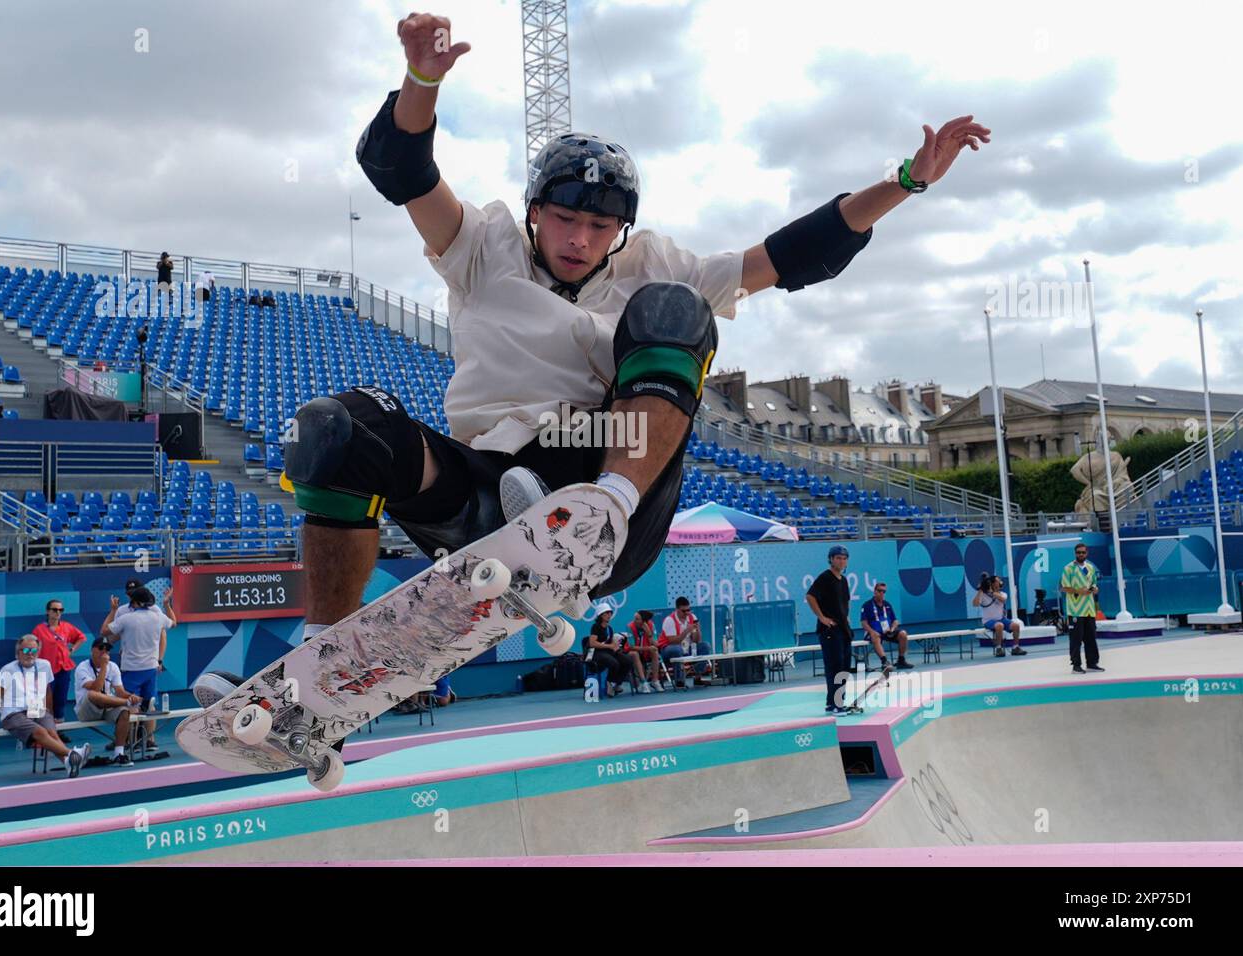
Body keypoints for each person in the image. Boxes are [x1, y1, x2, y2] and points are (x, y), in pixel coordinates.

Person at [195, 12, 986, 727]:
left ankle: (588, 516)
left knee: (674, 310)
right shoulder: (481, 246)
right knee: (338, 430)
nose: (579, 238)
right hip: (481, 490)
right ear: (536, 211)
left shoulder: (654, 264)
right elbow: (398, 166)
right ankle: (325, 655)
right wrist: (423, 79)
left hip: (611, 486)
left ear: (621, 229)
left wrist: (907, 182)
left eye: (599, 226)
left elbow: (789, 255)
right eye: (565, 219)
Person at [0, 636, 91, 777]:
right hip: (13, 712)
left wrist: (49, 712)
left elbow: (47, 691)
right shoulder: (8, 669)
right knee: (41, 732)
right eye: (25, 650)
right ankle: (73, 754)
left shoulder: (45, 665)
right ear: (18, 652)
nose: (29, 653)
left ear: (38, 652)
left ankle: (68, 762)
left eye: (33, 650)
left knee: (51, 732)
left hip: (36, 708)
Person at [100, 586, 167, 750]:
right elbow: (113, 636)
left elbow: (162, 635)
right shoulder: (125, 612)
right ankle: (130, 740)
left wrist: (159, 660)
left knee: (146, 703)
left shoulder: (152, 612)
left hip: (143, 666)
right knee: (134, 703)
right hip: (134, 665)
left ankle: (147, 740)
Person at [74, 639, 142, 767]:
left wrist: (132, 697)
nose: (104, 652)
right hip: (87, 711)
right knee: (93, 694)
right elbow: (96, 688)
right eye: (100, 648)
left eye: (107, 649)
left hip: (107, 707)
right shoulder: (82, 667)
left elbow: (120, 691)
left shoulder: (114, 666)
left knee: (124, 712)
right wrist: (104, 666)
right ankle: (125, 703)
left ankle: (119, 753)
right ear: (92, 650)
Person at [807, 545, 856, 713]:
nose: (841, 561)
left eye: (844, 558)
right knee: (835, 667)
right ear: (831, 559)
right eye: (838, 558)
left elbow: (846, 602)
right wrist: (822, 617)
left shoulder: (843, 580)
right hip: (830, 631)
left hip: (843, 629)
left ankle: (832, 702)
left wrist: (847, 620)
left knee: (844, 667)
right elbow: (810, 596)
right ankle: (837, 704)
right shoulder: (825, 577)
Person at [33, 597, 87, 728]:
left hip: (63, 669)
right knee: (44, 700)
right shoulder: (39, 629)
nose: (58, 612)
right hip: (46, 671)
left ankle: (58, 731)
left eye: (60, 610)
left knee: (61, 700)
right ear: (48, 611)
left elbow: (81, 637)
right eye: (55, 610)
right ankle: (42, 730)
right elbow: (34, 649)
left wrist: (72, 649)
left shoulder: (66, 627)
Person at [1061, 543, 1104, 675]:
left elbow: (1094, 583)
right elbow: (1064, 587)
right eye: (1078, 552)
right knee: (1076, 639)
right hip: (1075, 610)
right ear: (1075, 553)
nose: (1080, 554)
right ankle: (1076, 665)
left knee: (1091, 637)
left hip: (1089, 609)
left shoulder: (1090, 568)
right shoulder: (1068, 568)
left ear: (1087, 553)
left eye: (1083, 552)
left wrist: (1095, 589)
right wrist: (1078, 591)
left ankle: (1092, 663)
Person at [583, 602, 640, 696]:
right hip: (594, 653)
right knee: (614, 663)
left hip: (606, 652)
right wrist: (609, 646)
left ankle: (617, 684)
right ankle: (609, 683)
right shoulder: (595, 627)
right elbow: (592, 643)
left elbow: (611, 644)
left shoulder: (609, 628)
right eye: (607, 613)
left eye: (610, 613)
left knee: (628, 661)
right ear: (601, 615)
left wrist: (616, 648)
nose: (609, 615)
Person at [859, 582, 913, 670]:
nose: (882, 593)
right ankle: (884, 662)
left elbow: (895, 621)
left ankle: (901, 660)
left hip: (887, 631)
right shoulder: (867, 605)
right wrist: (872, 631)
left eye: (884, 591)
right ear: (875, 591)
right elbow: (863, 623)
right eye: (879, 591)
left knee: (903, 634)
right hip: (874, 632)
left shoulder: (887, 605)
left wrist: (892, 629)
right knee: (875, 636)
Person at [658, 597, 712, 685]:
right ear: (677, 610)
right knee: (677, 649)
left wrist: (698, 630)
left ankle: (698, 677)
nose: (687, 613)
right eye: (684, 611)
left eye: (688, 610)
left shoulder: (692, 617)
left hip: (687, 648)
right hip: (668, 649)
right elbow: (672, 641)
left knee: (704, 646)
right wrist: (686, 631)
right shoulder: (669, 620)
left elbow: (696, 640)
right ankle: (679, 679)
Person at [971, 573, 1026, 657]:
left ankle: (1015, 647)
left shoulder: (1002, 594)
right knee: (999, 625)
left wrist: (991, 592)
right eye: (997, 581)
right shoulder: (983, 595)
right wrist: (980, 591)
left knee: (1016, 626)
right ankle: (998, 648)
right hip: (988, 621)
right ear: (992, 583)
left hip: (1001, 619)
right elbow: (975, 604)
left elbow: (1002, 599)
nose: (1000, 582)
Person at [626, 609, 665, 691]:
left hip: (646, 652)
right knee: (634, 654)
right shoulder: (630, 626)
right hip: (633, 652)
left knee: (655, 651)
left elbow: (655, 644)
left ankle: (655, 680)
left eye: (637, 619)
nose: (634, 620)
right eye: (634, 618)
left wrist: (649, 634)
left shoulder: (651, 625)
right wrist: (647, 648)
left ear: (643, 621)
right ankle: (643, 682)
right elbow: (632, 646)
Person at [156, 251, 176, 316]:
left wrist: (166, 262)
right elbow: (158, 267)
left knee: (169, 292)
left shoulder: (169, 262)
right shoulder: (159, 263)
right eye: (165, 257)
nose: (166, 258)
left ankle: (169, 303)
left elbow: (172, 267)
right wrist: (162, 261)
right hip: (161, 281)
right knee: (160, 293)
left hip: (168, 281)